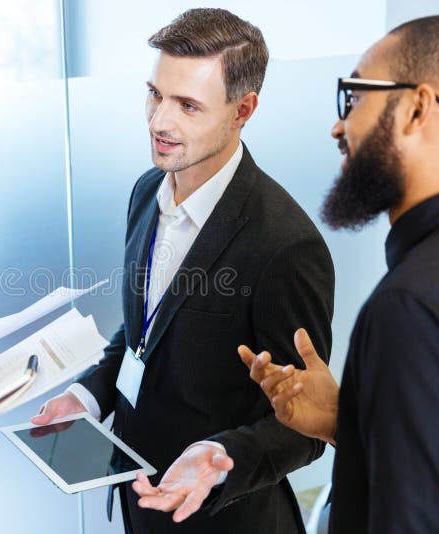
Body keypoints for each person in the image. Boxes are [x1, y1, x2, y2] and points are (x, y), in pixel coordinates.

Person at [142, 14, 439, 534]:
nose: (338, 125)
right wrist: (341, 420)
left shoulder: (410, 305)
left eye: (353, 97)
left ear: (418, 109)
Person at [32, 8, 335, 533]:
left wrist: (219, 455)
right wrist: (87, 396)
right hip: (138, 503)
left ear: (243, 110)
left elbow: (305, 425)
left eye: (188, 106)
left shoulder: (286, 245)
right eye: (154, 94)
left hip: (225, 520)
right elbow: (144, 332)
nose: (159, 122)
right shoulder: (147, 191)